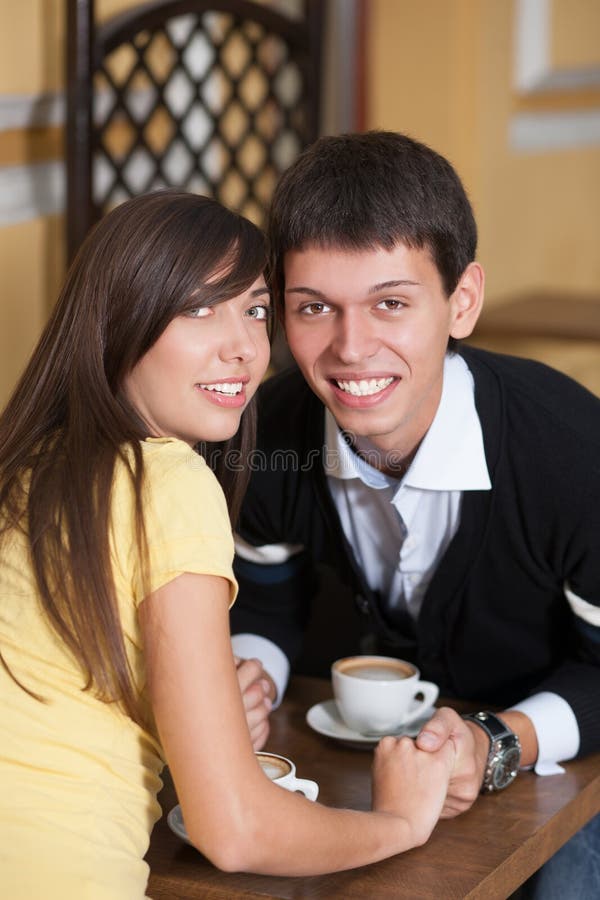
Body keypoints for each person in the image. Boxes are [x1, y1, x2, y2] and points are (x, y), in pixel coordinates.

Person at [0, 189, 458, 899]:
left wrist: (193, 706)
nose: (244, 347)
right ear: (118, 319)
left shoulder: (27, 471)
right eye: (197, 308)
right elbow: (236, 828)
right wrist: (399, 820)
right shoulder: (167, 481)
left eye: (253, 309)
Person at [229, 132, 600, 897]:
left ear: (461, 302)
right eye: (314, 308)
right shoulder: (268, 440)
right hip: (351, 762)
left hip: (558, 759)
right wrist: (249, 677)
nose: (350, 348)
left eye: (390, 303)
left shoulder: (571, 452)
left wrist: (498, 743)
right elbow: (264, 598)